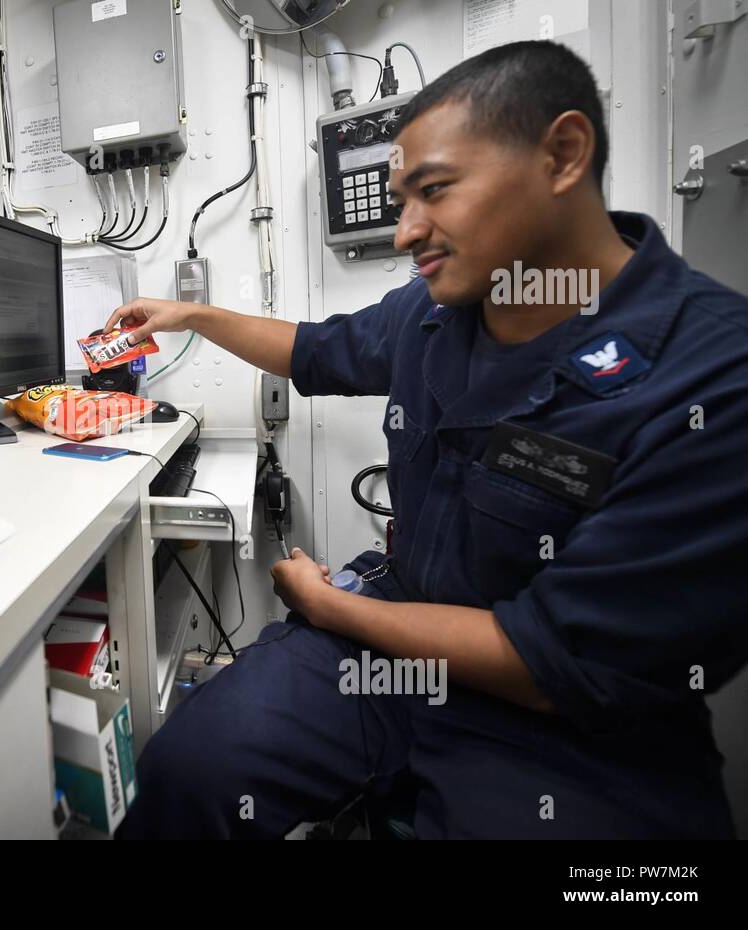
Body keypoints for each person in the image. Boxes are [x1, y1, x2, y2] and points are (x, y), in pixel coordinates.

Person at [111, 40, 748, 839]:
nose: (406, 231)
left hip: (573, 729)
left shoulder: (714, 375)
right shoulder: (434, 314)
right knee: (193, 769)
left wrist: (328, 605)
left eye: (434, 191)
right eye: (400, 197)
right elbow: (310, 347)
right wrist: (191, 316)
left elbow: (553, 665)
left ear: (563, 153)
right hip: (396, 636)